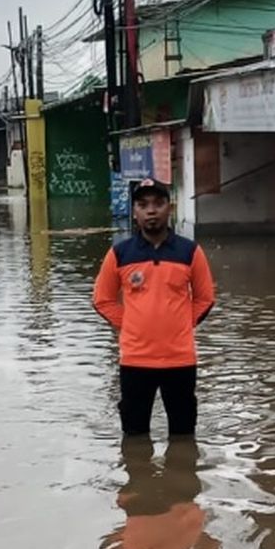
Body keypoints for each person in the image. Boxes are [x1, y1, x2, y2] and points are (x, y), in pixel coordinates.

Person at [93, 178, 215, 437]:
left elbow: (205, 298)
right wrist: (132, 324)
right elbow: (102, 300)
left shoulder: (190, 252)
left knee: (183, 438)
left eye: (158, 203)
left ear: (169, 208)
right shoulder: (120, 254)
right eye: (143, 204)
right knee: (134, 440)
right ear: (134, 211)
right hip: (136, 360)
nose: (151, 210)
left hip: (180, 360)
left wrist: (181, 323)